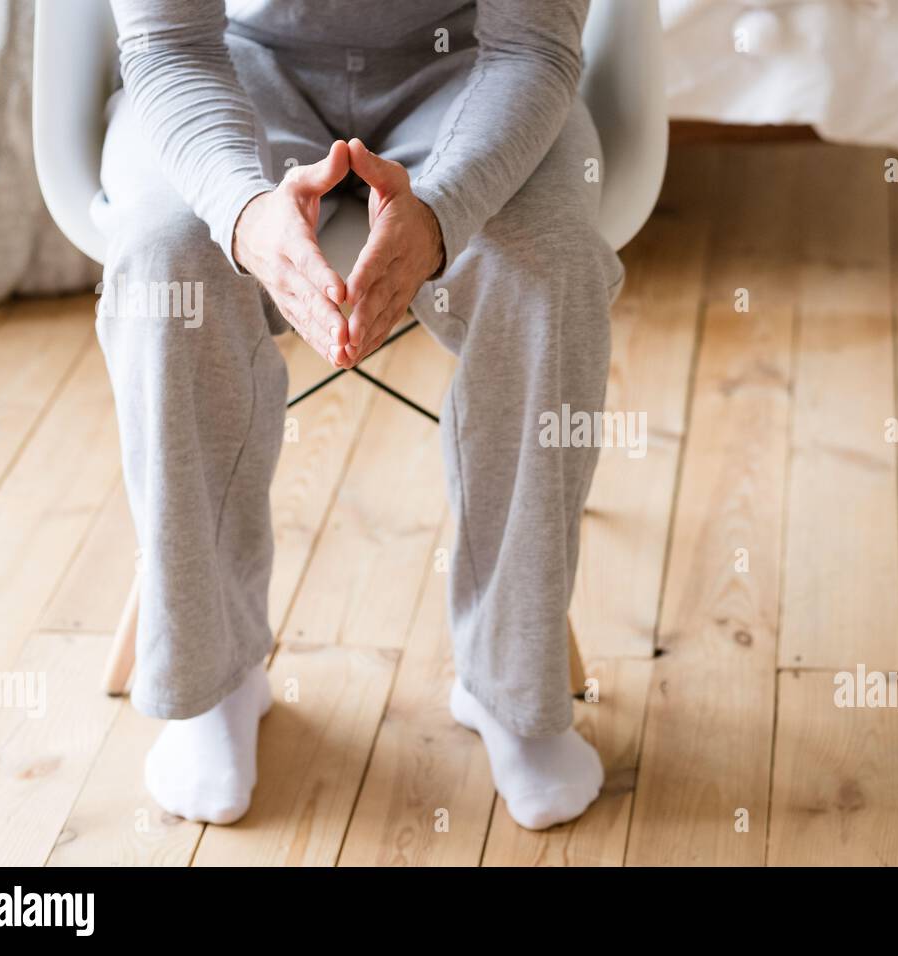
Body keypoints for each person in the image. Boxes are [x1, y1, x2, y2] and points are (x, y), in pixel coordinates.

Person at [95, 0, 623, 830]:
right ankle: (212, 680)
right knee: (168, 261)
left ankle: (514, 687)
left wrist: (443, 211)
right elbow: (169, 45)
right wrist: (241, 211)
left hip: (478, 65)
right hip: (230, 63)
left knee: (548, 264)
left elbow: (532, 46)